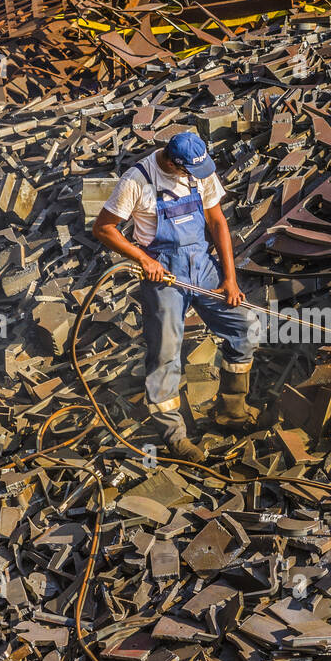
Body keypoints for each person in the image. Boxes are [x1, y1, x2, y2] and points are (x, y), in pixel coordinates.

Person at [91, 132, 257, 462]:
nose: (197, 178)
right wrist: (143, 259)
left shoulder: (199, 170)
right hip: (162, 270)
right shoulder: (137, 180)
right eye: (189, 172)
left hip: (201, 265)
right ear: (171, 162)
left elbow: (217, 220)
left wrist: (230, 278)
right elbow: (103, 229)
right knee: (166, 352)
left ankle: (232, 410)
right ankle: (175, 436)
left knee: (245, 326)